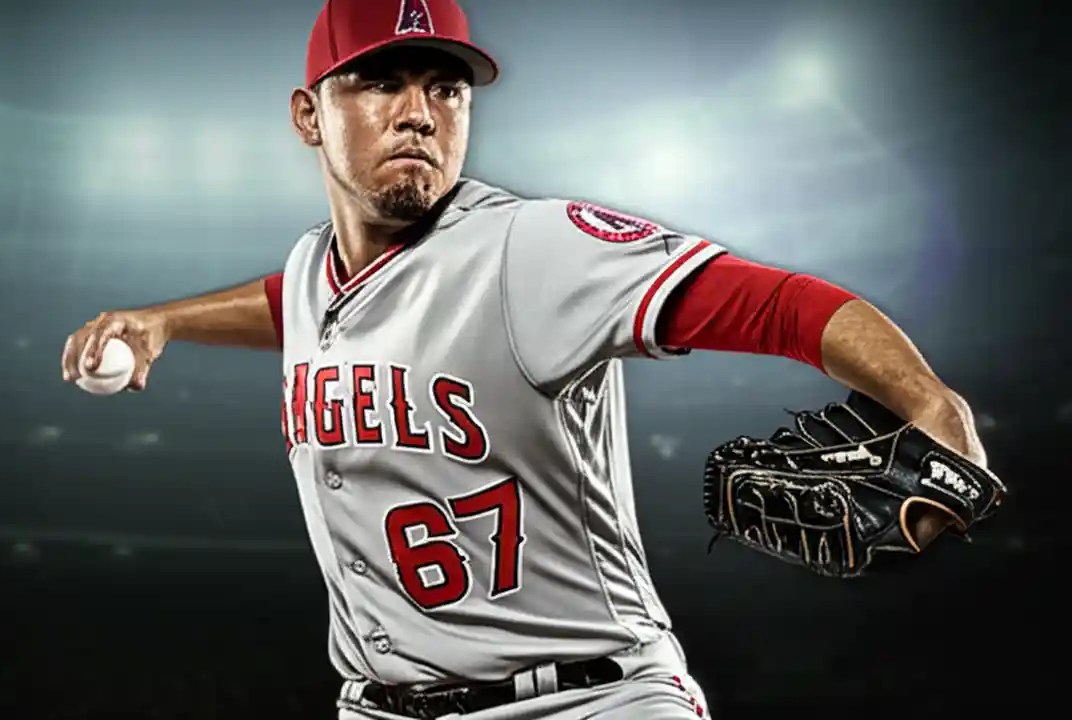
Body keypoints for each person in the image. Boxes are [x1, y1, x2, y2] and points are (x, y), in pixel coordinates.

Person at [60, 1, 988, 717]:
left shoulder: (532, 249)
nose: (418, 115)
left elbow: (779, 304)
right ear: (310, 115)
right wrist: (165, 321)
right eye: (381, 82)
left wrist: (933, 404)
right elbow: (297, 305)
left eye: (446, 89)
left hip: (588, 699)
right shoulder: (314, 269)